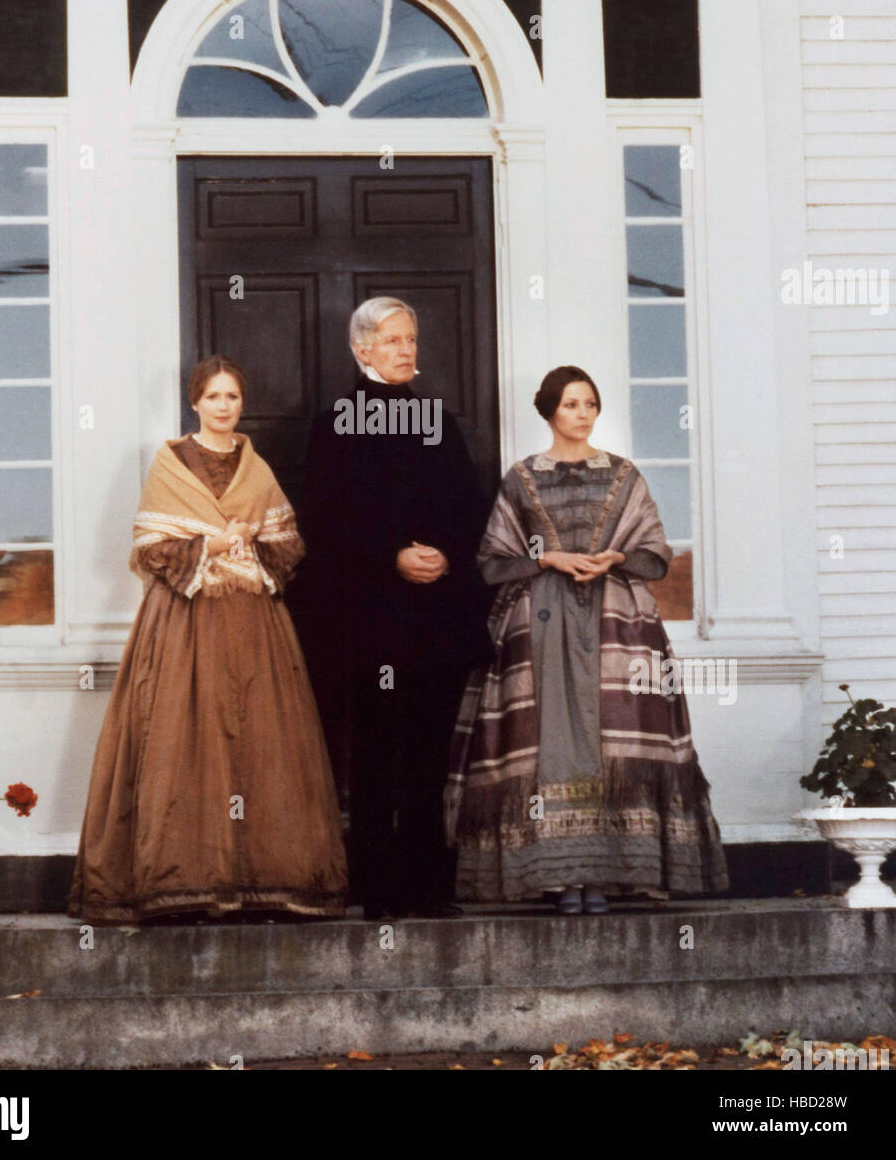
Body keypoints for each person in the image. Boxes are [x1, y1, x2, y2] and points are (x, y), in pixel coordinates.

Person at [68, 356, 348, 924]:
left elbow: (289, 545)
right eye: (214, 397)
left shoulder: (258, 469)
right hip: (183, 623)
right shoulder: (169, 466)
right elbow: (147, 547)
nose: (225, 406)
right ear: (195, 402)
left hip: (253, 622)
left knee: (261, 740)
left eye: (233, 397)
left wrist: (253, 544)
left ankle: (263, 880)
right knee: (184, 736)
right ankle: (186, 881)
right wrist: (214, 547)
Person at [444, 365, 729, 914]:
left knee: (615, 739)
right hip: (539, 620)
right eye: (571, 404)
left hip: (617, 622)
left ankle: (608, 876)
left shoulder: (623, 475)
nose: (581, 413)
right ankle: (557, 878)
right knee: (548, 740)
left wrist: (617, 556)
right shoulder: (521, 477)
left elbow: (654, 549)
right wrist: (545, 556)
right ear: (550, 411)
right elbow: (490, 556)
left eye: (590, 404)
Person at [295, 297, 491, 920]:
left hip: (437, 618)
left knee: (431, 753)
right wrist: (391, 557)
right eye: (393, 339)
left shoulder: (439, 420)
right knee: (376, 751)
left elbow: (470, 509)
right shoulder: (335, 424)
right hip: (371, 622)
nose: (408, 349)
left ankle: (429, 889)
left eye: (412, 338)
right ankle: (378, 889)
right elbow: (325, 521)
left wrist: (445, 556)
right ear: (362, 350)